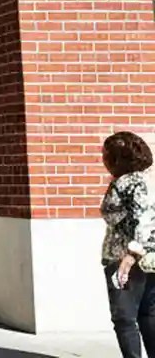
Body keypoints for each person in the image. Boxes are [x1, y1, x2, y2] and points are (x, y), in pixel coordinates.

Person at [101, 131, 155, 358]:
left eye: (106, 154)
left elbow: (143, 218)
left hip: (125, 257)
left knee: (124, 318)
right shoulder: (146, 179)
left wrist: (130, 257)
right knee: (148, 314)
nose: (103, 159)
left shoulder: (127, 183)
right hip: (148, 257)